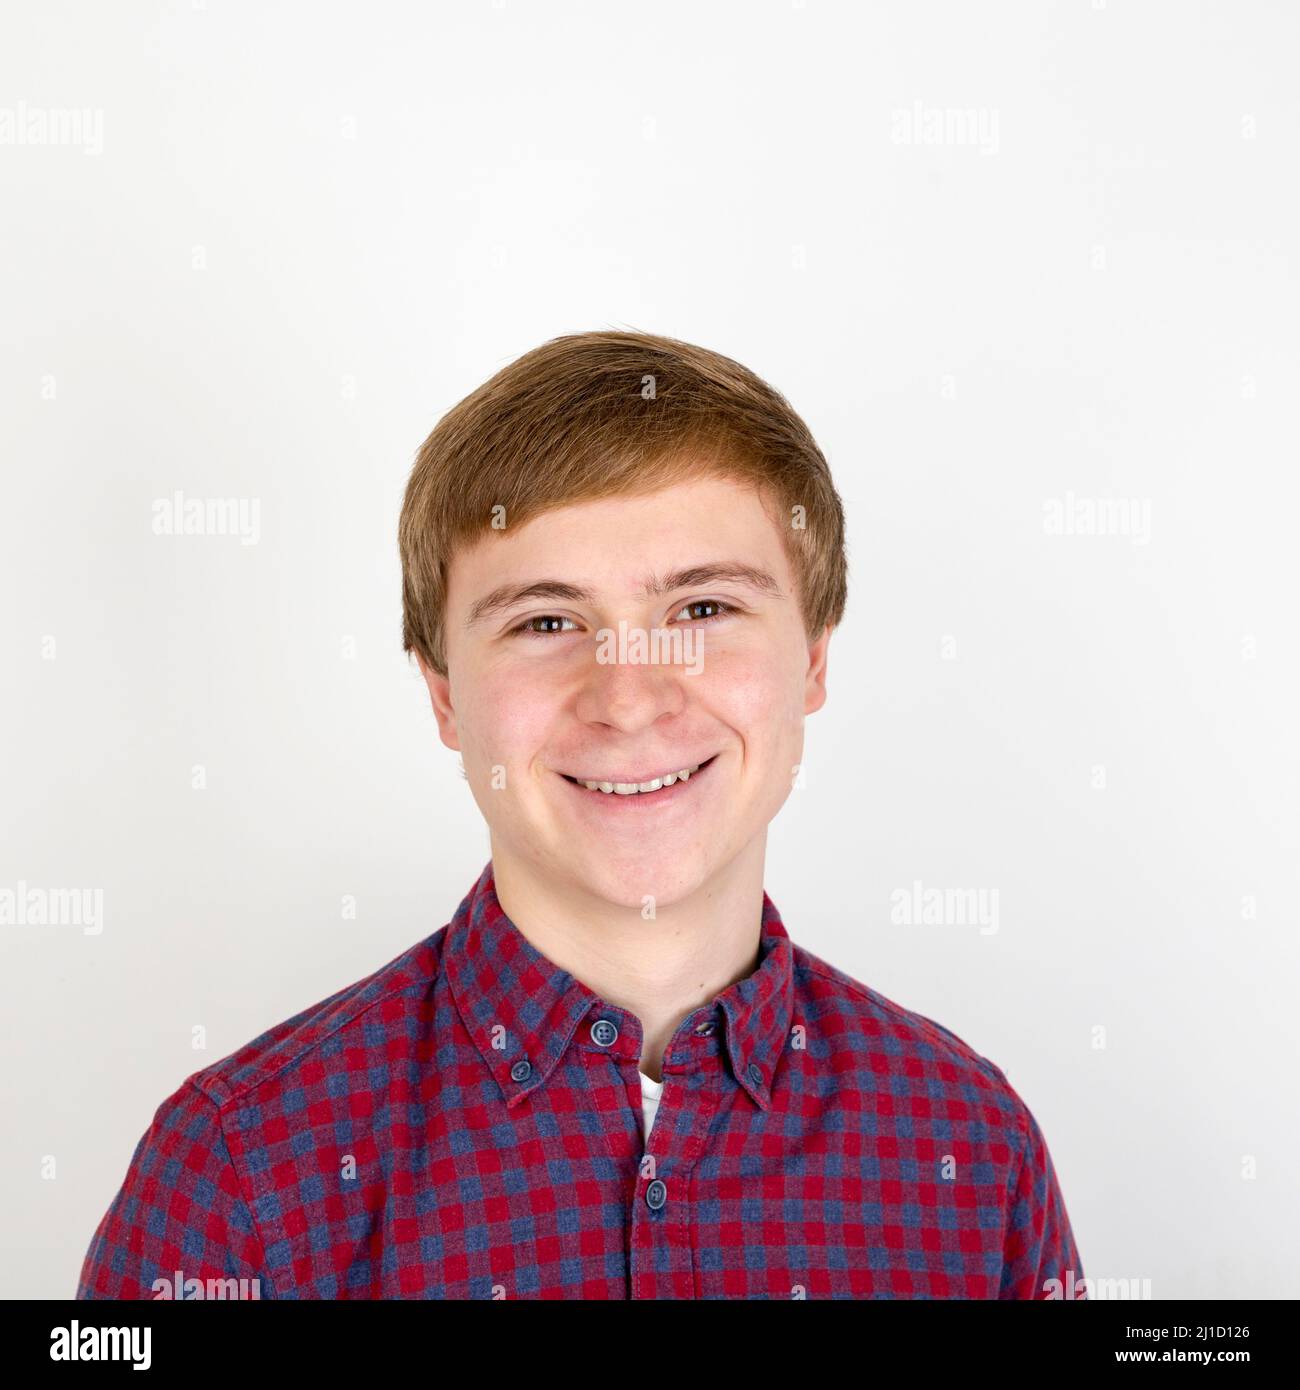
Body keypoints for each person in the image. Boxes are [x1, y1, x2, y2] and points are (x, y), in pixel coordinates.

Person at [77, 330, 1083, 1299]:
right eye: (546, 622)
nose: (630, 697)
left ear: (811, 660)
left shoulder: (973, 1146)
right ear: (442, 695)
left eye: (702, 610)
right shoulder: (237, 1175)